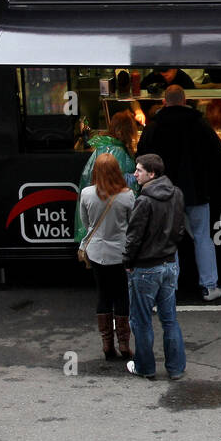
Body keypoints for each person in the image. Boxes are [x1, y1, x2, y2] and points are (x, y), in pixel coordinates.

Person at [135, 84, 221, 301]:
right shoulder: (199, 124)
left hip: (164, 193)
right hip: (196, 191)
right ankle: (209, 286)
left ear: (164, 101)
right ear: (185, 100)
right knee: (203, 237)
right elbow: (218, 151)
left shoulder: (154, 125)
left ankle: (170, 289)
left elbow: (141, 155)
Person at [122, 154, 186, 380]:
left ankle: (145, 367)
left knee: (141, 320)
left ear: (152, 174)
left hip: (146, 267)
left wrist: (128, 262)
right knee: (169, 319)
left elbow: (134, 237)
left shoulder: (144, 200)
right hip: (169, 263)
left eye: (139, 170)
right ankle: (176, 368)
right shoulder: (177, 193)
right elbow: (180, 229)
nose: (135, 174)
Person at [79, 152, 136, 362]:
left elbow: (86, 223)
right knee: (122, 296)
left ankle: (106, 344)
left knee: (103, 296)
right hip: (120, 252)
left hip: (96, 251)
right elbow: (133, 225)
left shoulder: (86, 193)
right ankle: (124, 344)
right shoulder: (127, 195)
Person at [74, 111, 137, 241]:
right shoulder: (117, 150)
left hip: (99, 210)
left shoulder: (104, 147)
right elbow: (118, 182)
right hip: (114, 211)